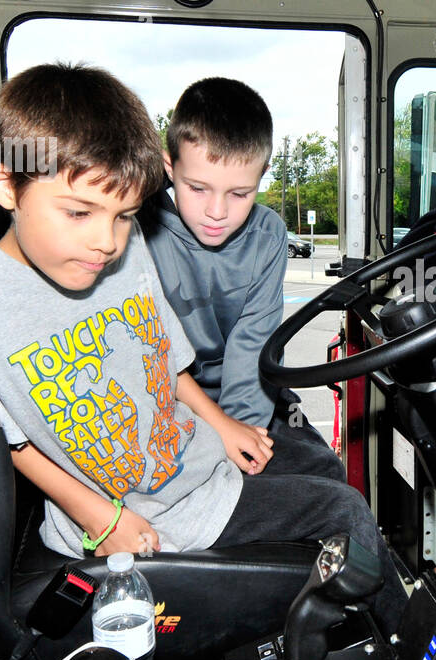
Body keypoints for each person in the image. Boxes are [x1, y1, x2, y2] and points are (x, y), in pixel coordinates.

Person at [0, 64, 405, 635]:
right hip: (146, 507)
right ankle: (406, 650)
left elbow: (166, 362)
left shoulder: (124, 253)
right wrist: (100, 520)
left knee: (324, 464)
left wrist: (222, 424)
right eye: (79, 212)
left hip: (188, 456)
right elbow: (5, 441)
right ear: (7, 184)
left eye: (125, 215)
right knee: (345, 511)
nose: (106, 239)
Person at [142, 76, 348, 483]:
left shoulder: (268, 235)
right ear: (170, 166)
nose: (217, 211)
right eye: (197, 188)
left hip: (249, 398)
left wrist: (241, 439)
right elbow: (149, 358)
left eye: (239, 194)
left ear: (263, 175)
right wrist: (215, 439)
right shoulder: (135, 229)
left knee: (327, 475)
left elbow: (252, 349)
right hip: (162, 404)